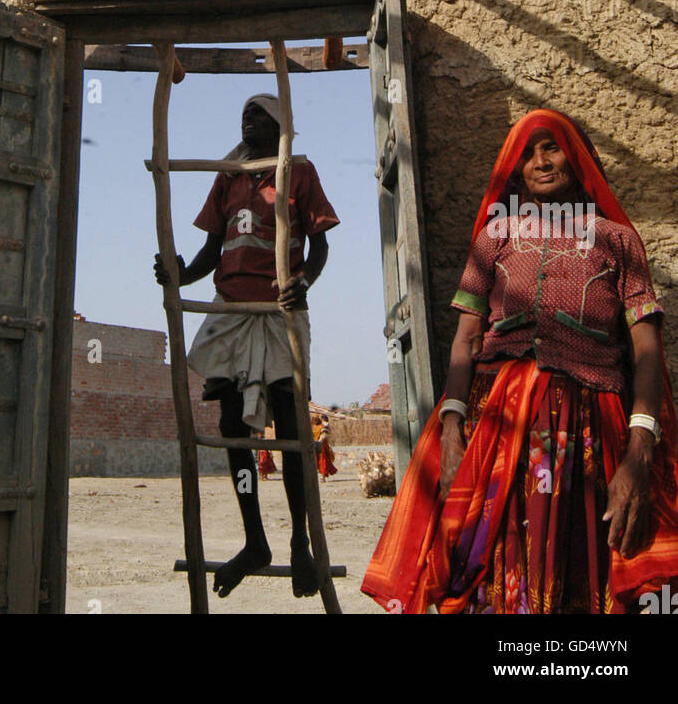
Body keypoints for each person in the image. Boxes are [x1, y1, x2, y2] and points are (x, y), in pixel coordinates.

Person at [361, 108, 678, 614]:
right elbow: (465, 339)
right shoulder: (496, 237)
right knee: (489, 556)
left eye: (551, 147)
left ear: (576, 157)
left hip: (588, 424)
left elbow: (645, 347)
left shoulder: (618, 240)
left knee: (583, 557)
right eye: (528, 154)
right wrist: (450, 426)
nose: (541, 161)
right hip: (497, 424)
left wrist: (640, 451)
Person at [154, 93, 339, 599]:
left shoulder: (298, 172)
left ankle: (301, 541)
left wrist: (306, 281)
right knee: (233, 428)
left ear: (280, 125)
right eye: (245, 112)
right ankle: (255, 538)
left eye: (259, 113)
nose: (247, 118)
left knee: (292, 425)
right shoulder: (228, 175)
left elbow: (320, 244)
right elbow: (210, 251)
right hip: (231, 310)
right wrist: (177, 275)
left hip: (278, 313)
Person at [316, 413, 337, 482]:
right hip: (322, 445)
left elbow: (324, 436)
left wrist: (319, 442)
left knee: (323, 460)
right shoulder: (320, 426)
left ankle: (323, 476)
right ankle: (323, 475)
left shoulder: (325, 426)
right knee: (322, 460)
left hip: (322, 445)